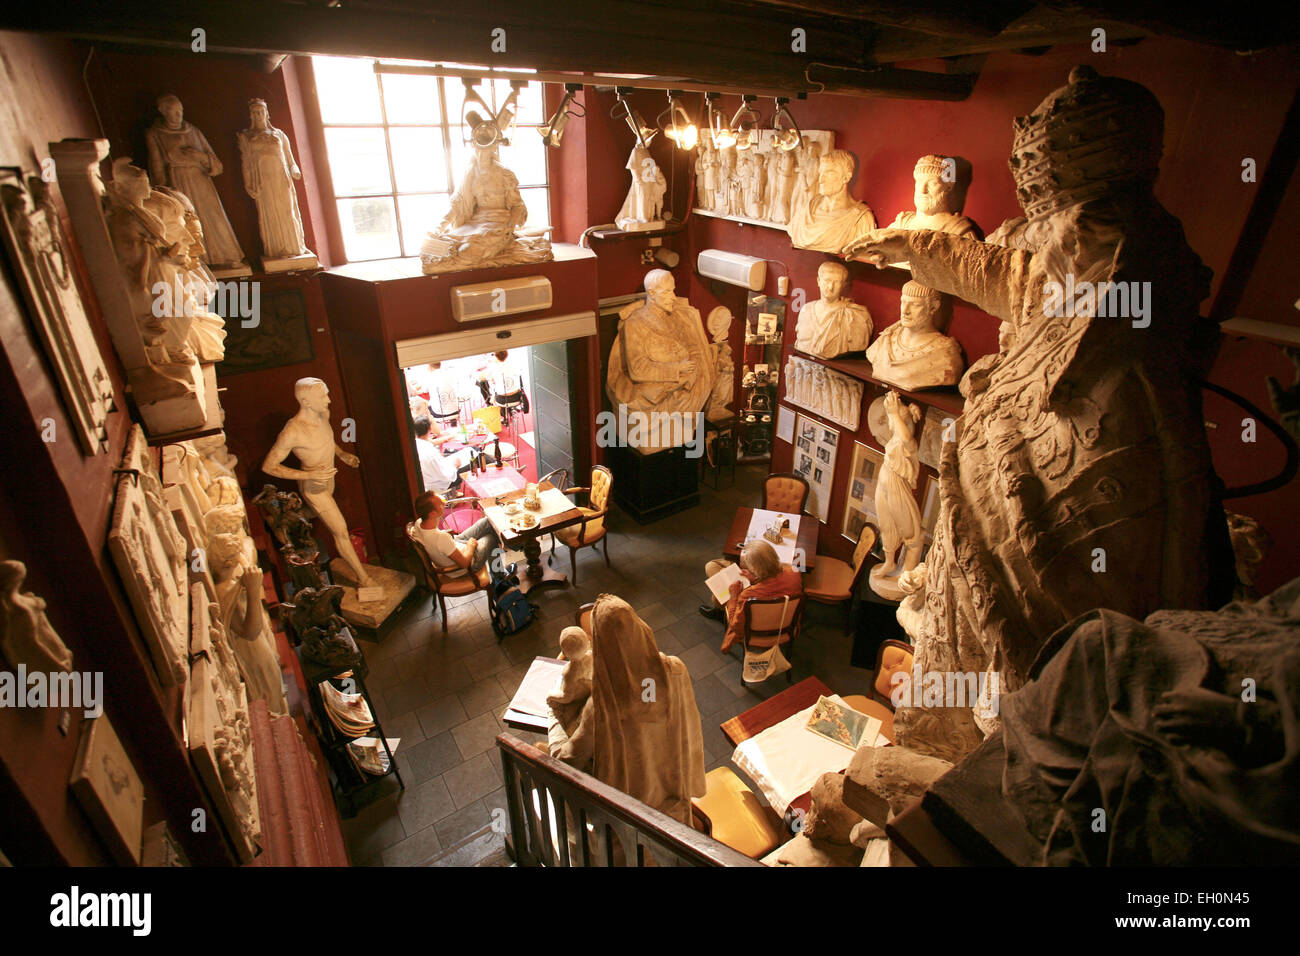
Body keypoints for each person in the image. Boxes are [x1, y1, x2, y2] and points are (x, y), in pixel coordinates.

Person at [547, 594, 706, 826]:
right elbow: (690, 727)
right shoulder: (675, 669)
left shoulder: (602, 706)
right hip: (675, 798)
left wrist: (553, 714)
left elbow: (568, 760)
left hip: (633, 816)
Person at [261, 377, 371, 587]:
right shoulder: (293, 431)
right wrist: (309, 476)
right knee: (341, 530)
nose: (328, 400)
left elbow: (327, 441)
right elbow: (269, 466)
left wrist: (342, 454)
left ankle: (280, 520)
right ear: (306, 402)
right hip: (313, 487)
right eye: (323, 396)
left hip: (328, 480)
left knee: (314, 512)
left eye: (326, 394)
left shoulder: (323, 414)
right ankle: (364, 579)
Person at [700, 540, 803, 653]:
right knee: (714, 580)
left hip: (753, 631)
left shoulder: (748, 595)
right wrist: (755, 580)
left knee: (716, 597)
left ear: (755, 569)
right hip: (785, 625)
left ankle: (720, 612)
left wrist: (733, 596)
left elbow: (735, 626)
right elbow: (773, 585)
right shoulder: (795, 573)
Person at [412, 490, 501, 577]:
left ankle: (498, 568)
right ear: (432, 513)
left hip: (454, 545)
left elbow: (443, 544)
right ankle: (499, 577)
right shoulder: (440, 538)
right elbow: (465, 564)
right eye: (441, 504)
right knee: (490, 538)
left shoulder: (418, 523)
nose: (444, 503)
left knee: (487, 521)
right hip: (465, 567)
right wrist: (470, 546)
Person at [413, 416, 471, 495]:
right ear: (429, 429)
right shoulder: (430, 452)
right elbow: (446, 476)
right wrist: (455, 465)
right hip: (440, 484)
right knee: (476, 457)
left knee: (459, 453)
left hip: (427, 482)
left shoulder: (415, 445)